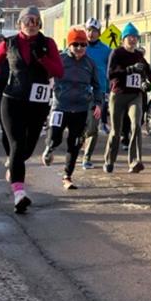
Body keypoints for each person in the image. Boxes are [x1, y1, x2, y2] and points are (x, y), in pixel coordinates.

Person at [0, 6, 65, 213]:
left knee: (28, 148)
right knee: (16, 144)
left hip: (37, 103)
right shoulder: (9, 43)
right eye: (27, 20)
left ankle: (14, 167)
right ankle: (19, 194)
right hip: (12, 99)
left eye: (35, 21)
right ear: (19, 23)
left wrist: (42, 58)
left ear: (40, 24)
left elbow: (59, 71)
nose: (31, 24)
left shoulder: (48, 44)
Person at [41, 28, 103, 190]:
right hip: (60, 106)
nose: (79, 48)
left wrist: (98, 102)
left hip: (81, 108)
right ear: (69, 45)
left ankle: (67, 176)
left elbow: (97, 86)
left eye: (83, 44)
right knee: (56, 136)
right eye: (75, 44)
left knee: (75, 143)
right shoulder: (60, 60)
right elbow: (45, 75)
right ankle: (50, 148)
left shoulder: (90, 63)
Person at [104, 23, 151, 173]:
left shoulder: (139, 55)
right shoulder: (117, 53)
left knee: (136, 126)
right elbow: (110, 74)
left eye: (135, 37)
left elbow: (149, 74)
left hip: (135, 95)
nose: (132, 40)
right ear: (123, 39)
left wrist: (147, 84)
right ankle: (109, 160)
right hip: (118, 95)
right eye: (129, 37)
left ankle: (134, 161)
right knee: (116, 131)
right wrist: (129, 70)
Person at [81, 17, 112, 169]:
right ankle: (79, 144)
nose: (91, 34)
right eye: (88, 30)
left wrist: (108, 90)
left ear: (99, 33)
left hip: (97, 93)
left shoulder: (106, 51)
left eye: (94, 31)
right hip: (78, 92)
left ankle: (87, 157)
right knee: (80, 125)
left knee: (93, 127)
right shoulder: (79, 46)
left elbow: (111, 71)